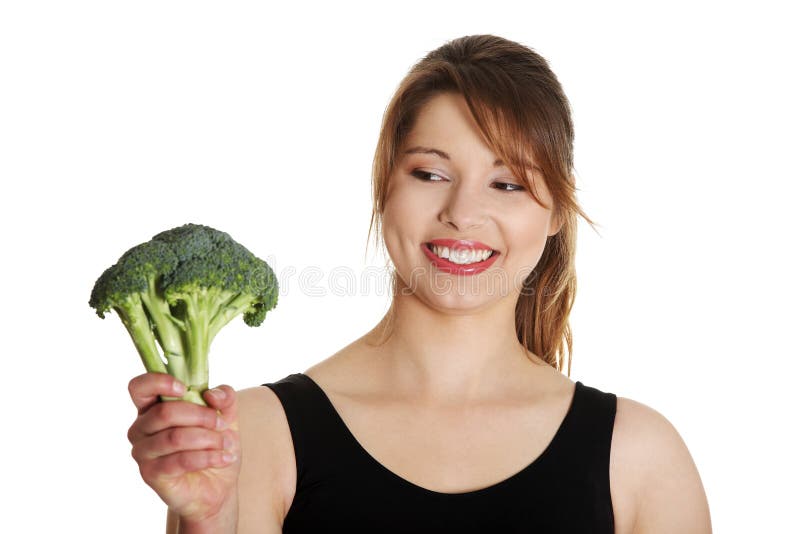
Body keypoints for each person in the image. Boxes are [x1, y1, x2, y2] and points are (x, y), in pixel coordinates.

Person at [127, 34, 712, 533]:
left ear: (556, 212)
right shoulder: (254, 433)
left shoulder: (640, 457)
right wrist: (203, 521)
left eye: (506, 184)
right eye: (430, 173)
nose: (462, 212)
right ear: (385, 187)